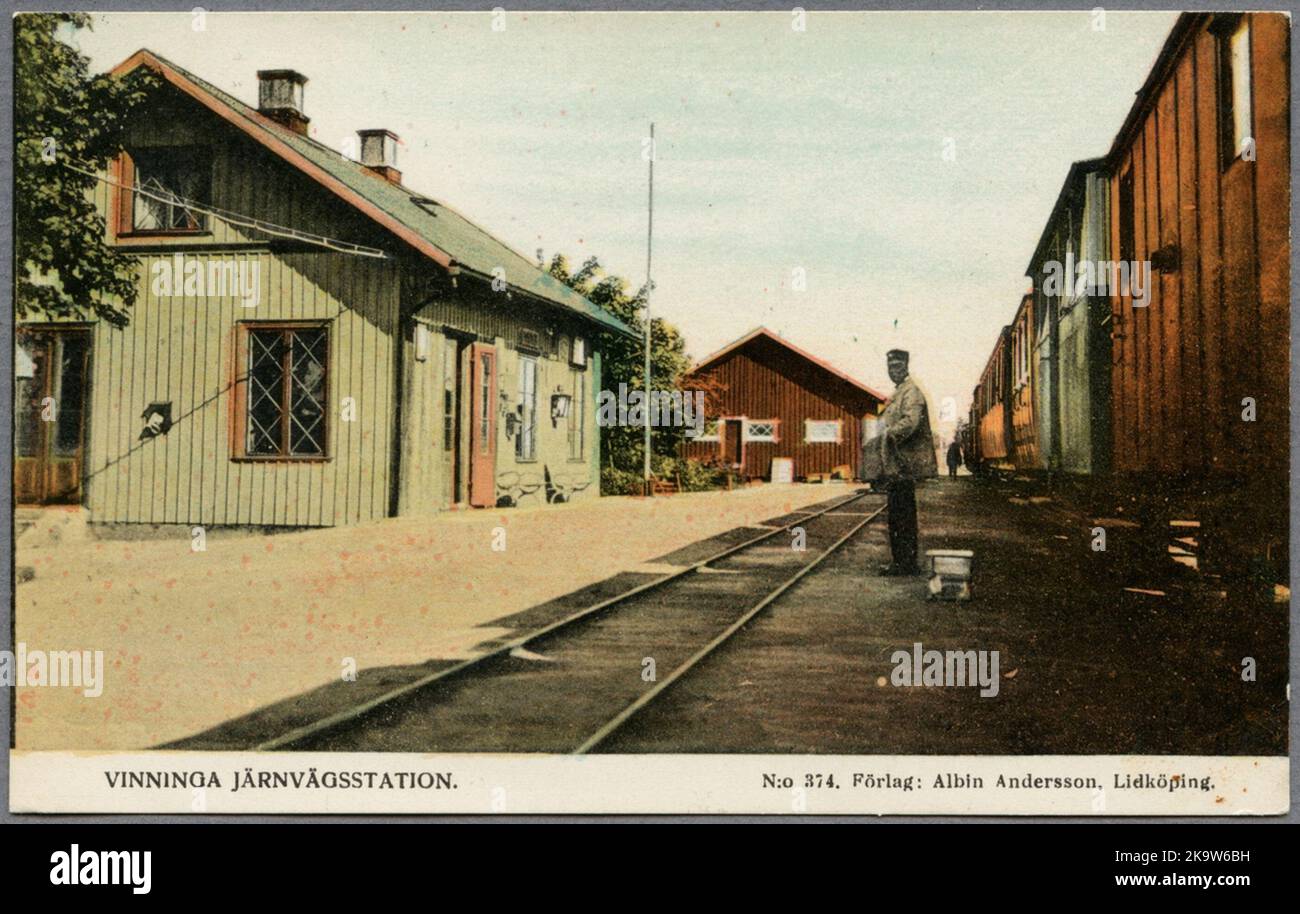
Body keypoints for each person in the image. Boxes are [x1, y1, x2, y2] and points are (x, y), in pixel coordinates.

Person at [869, 349, 937, 575]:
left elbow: (911, 422)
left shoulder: (911, 392)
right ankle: (902, 562)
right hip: (897, 464)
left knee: (902, 517)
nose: (893, 371)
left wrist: (888, 434)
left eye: (897, 367)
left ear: (906, 366)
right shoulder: (900, 392)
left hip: (905, 465)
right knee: (897, 516)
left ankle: (906, 564)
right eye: (890, 368)